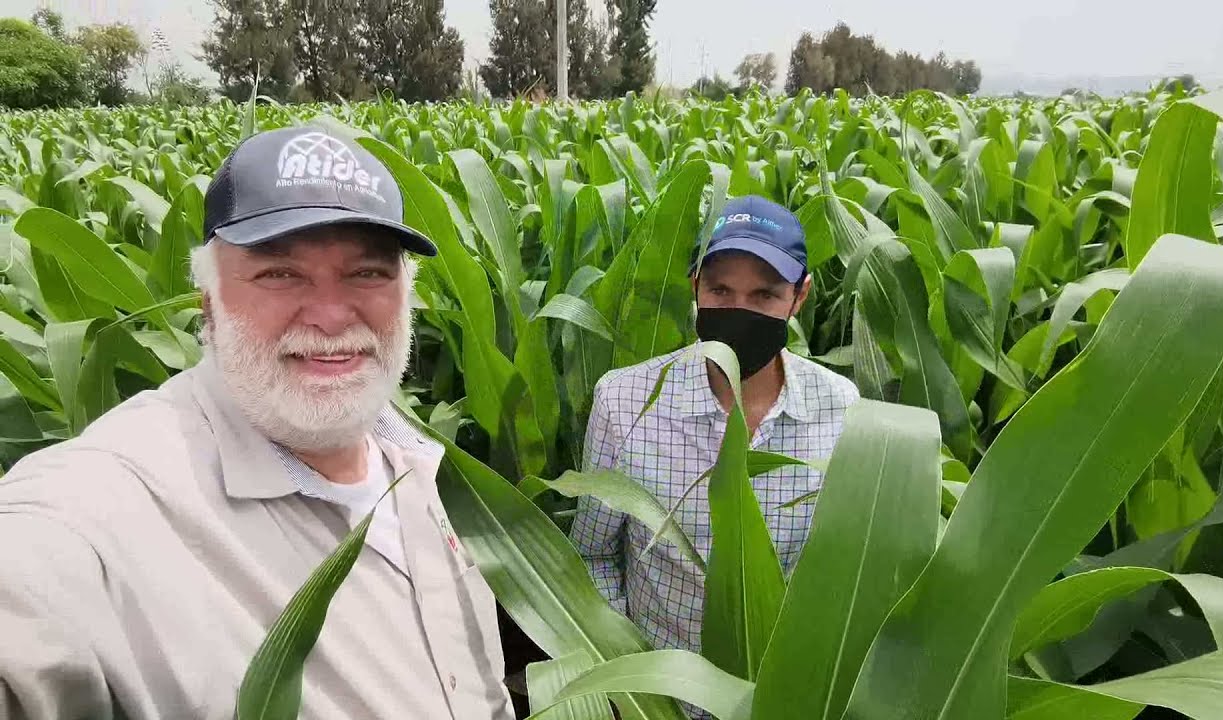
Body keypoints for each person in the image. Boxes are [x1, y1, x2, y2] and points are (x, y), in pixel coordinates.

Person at [0, 127, 515, 719]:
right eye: (280, 274)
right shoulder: (114, 501)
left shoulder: (424, 464)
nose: (329, 315)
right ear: (209, 302)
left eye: (368, 273)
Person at [568, 195, 860, 687]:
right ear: (695, 287)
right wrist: (624, 680)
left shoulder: (841, 408)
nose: (738, 312)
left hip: (783, 694)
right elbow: (594, 555)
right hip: (659, 694)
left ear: (800, 295)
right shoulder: (623, 403)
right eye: (721, 290)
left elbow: (848, 572)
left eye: (764, 295)